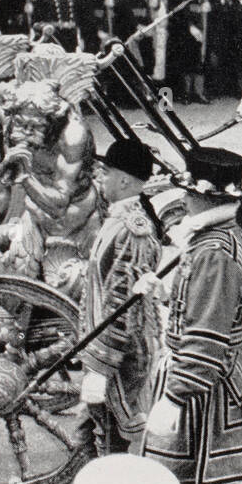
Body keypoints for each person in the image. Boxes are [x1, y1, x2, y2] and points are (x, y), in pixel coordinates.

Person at [136, 147, 242, 484]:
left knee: (187, 482)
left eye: (189, 193)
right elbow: (204, 308)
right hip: (207, 375)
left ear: (202, 198)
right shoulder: (218, 238)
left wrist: (175, 398)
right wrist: (164, 295)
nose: (184, 200)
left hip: (202, 385)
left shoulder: (214, 253)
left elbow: (206, 334)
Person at [79, 138, 163, 456]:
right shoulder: (120, 220)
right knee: (97, 439)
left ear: (124, 179)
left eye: (106, 172)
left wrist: (101, 369)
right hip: (111, 357)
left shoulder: (131, 229)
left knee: (112, 445)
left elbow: (122, 307)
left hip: (119, 362)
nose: (101, 179)